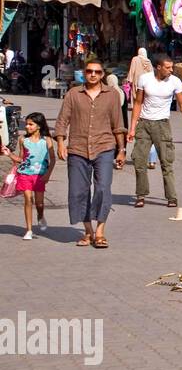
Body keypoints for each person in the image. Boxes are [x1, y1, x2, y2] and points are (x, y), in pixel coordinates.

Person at [54, 57, 126, 248]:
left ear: (102, 74)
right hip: (77, 148)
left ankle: (100, 231)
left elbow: (118, 125)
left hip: (104, 147)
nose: (93, 74)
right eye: (89, 71)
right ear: (84, 73)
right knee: (79, 191)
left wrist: (122, 150)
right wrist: (61, 143)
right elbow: (62, 120)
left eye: (97, 72)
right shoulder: (73, 94)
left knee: (103, 187)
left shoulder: (111, 95)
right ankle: (88, 231)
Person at [129, 54, 182, 208]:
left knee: (166, 162)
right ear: (158, 67)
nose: (171, 70)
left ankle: (171, 197)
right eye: (167, 67)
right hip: (144, 124)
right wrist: (132, 128)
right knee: (139, 160)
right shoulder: (144, 79)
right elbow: (138, 103)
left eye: (171, 67)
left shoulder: (175, 82)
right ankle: (141, 195)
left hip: (162, 125)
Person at [3, 112, 55, 240]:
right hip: (25, 173)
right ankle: (29, 230)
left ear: (39, 126)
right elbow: (21, 159)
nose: (27, 126)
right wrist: (9, 154)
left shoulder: (47, 140)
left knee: (39, 204)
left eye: (31, 124)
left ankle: (40, 215)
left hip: (40, 176)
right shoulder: (23, 140)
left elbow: (52, 159)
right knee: (28, 199)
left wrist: (48, 174)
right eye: (26, 124)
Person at [124, 47, 151, 113]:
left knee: (135, 94)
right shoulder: (148, 61)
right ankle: (143, 107)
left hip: (137, 79)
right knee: (144, 94)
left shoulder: (135, 59)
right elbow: (151, 71)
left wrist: (129, 79)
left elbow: (132, 69)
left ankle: (135, 107)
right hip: (146, 81)